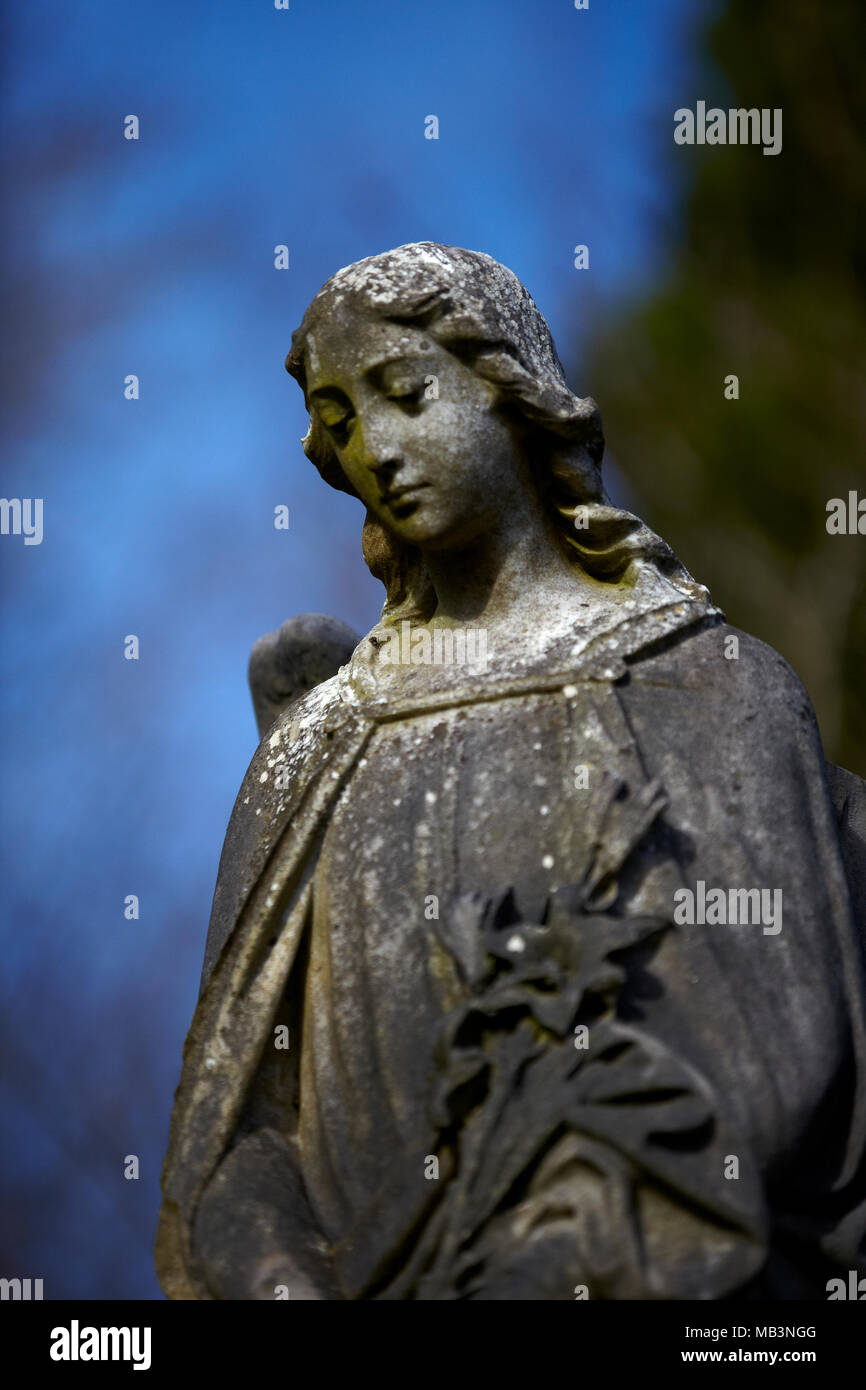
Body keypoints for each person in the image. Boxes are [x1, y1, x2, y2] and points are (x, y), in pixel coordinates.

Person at [156, 243, 866, 1300]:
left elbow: (777, 1053)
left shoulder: (704, 684)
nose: (379, 452)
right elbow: (235, 1134)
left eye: (406, 394)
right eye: (344, 426)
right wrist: (277, 1278)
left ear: (510, 391)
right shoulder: (313, 753)